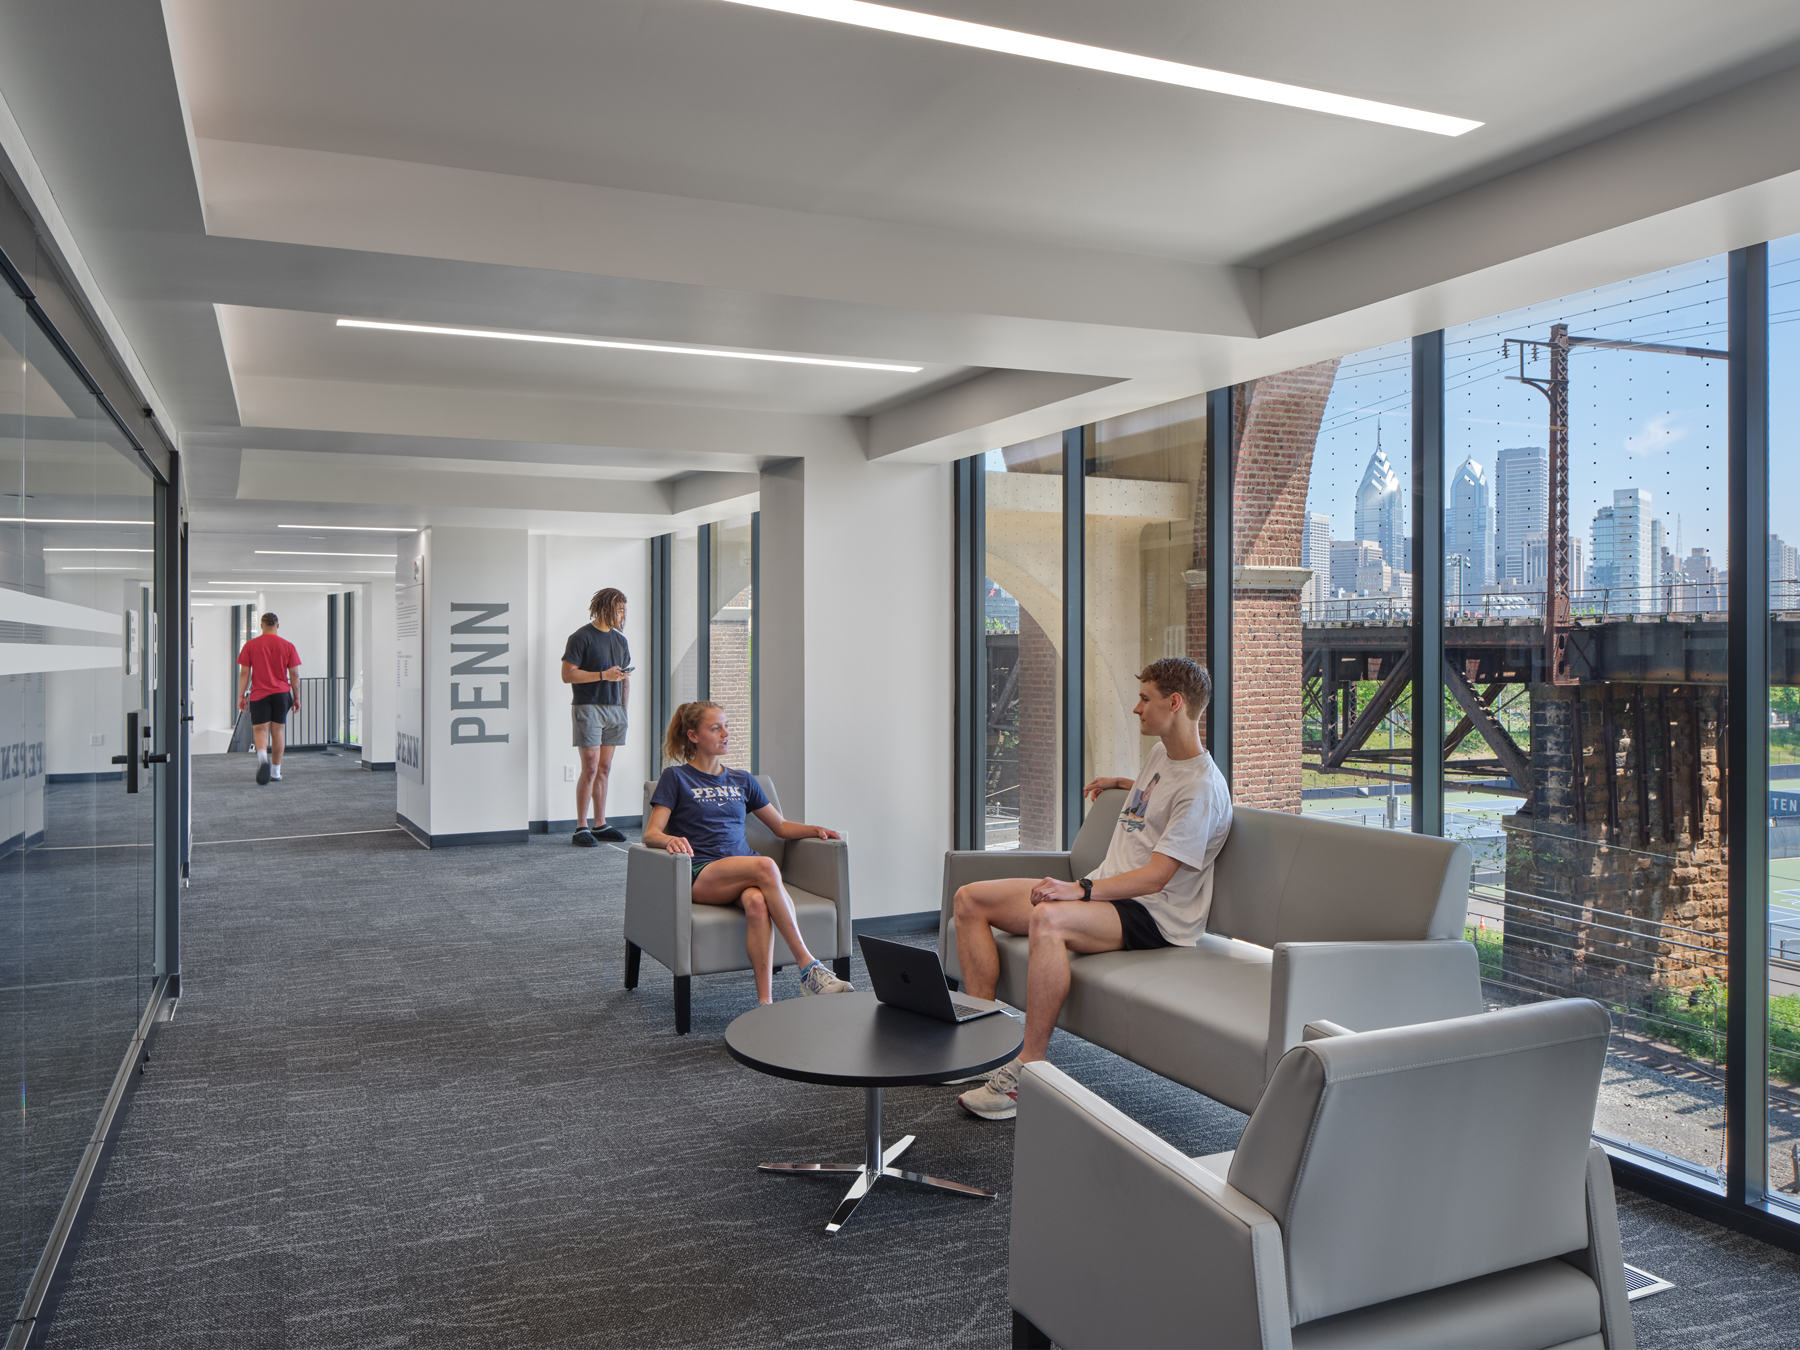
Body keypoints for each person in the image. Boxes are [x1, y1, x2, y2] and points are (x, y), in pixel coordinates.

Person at [952, 656, 1232, 1120]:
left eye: (1146, 699)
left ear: (1175, 703)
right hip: (1109, 889)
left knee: (1048, 916)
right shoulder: (1163, 754)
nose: (1137, 708)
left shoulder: (1201, 790)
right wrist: (1120, 783)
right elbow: (1156, 797)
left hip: (1153, 914)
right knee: (970, 899)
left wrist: (1077, 892)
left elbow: (1156, 878)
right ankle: (984, 1044)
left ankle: (1029, 1069)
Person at [644, 701, 853, 1004]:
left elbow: (779, 826)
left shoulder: (743, 780)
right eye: (715, 728)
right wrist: (668, 840)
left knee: (757, 903)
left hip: (746, 870)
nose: (726, 733)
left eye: (726, 726)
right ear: (693, 736)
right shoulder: (675, 778)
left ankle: (764, 1004)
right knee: (766, 866)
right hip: (704, 872)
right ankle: (809, 968)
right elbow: (651, 832)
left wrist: (816, 830)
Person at [562, 587, 631, 845]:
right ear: (604, 609)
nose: (622, 615)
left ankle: (600, 824)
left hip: (615, 710)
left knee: (605, 767)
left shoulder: (621, 641)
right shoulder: (581, 637)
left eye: (624, 610)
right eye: (618, 609)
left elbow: (625, 679)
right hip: (588, 708)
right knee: (590, 767)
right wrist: (603, 675)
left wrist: (624, 710)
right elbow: (568, 674)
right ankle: (582, 827)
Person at [236, 612, 303, 786]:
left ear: (261, 625)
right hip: (281, 694)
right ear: (277, 626)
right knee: (278, 732)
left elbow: (244, 673)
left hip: (259, 694)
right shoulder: (288, 646)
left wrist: (241, 696)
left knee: (260, 730)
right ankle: (275, 772)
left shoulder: (250, 645)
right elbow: (294, 674)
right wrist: (297, 698)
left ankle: (263, 759)